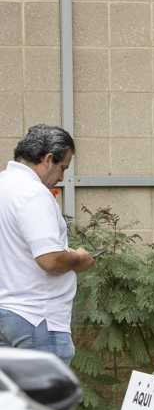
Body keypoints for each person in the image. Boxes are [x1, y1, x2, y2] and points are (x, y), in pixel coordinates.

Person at [0, 126, 92, 364]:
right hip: (37, 319)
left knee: (12, 401)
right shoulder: (33, 193)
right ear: (48, 159)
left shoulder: (3, 186)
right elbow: (50, 259)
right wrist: (78, 258)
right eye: (63, 168)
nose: (62, 177)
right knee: (46, 401)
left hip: (6, 314)